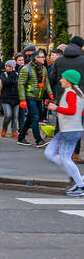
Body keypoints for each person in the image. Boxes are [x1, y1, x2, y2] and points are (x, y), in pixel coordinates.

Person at [44, 61, 84, 196]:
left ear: (69, 81)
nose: (60, 80)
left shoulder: (70, 93)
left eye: (63, 78)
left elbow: (72, 111)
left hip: (69, 130)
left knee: (65, 158)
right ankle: (76, 177)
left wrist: (56, 108)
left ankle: (80, 185)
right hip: (69, 129)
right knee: (50, 153)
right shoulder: (79, 92)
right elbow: (80, 112)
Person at [17, 51, 52, 146]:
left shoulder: (44, 68)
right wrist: (22, 100)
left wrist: (50, 94)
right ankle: (38, 140)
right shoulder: (26, 69)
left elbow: (46, 82)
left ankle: (21, 137)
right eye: (42, 57)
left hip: (38, 97)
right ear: (36, 58)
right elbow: (21, 85)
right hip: (30, 96)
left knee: (30, 118)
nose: (44, 58)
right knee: (35, 117)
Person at [0, 60, 20, 137]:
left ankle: (14, 131)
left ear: (13, 67)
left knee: (15, 116)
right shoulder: (3, 74)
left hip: (16, 98)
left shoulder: (17, 74)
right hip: (6, 98)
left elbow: (18, 83)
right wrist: (12, 73)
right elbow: (6, 82)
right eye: (6, 66)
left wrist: (13, 73)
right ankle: (4, 129)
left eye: (9, 66)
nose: (7, 68)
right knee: (8, 115)